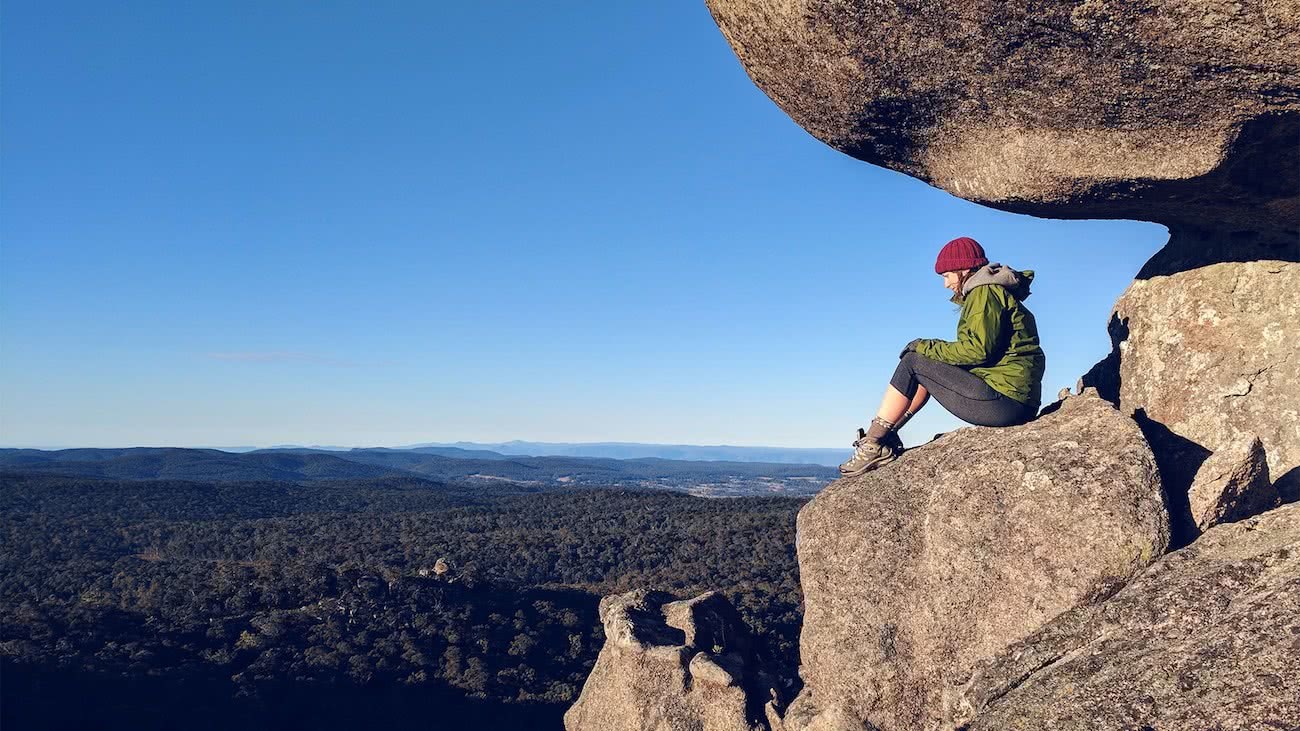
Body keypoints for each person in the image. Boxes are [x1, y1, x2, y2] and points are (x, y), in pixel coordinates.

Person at [839, 236, 1046, 477]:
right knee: (928, 365)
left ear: (964, 270)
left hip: (1006, 402)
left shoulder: (984, 293)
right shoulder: (991, 292)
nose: (946, 284)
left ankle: (874, 444)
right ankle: (886, 437)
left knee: (913, 361)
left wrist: (924, 346)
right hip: (1014, 400)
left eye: (947, 275)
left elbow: (977, 350)